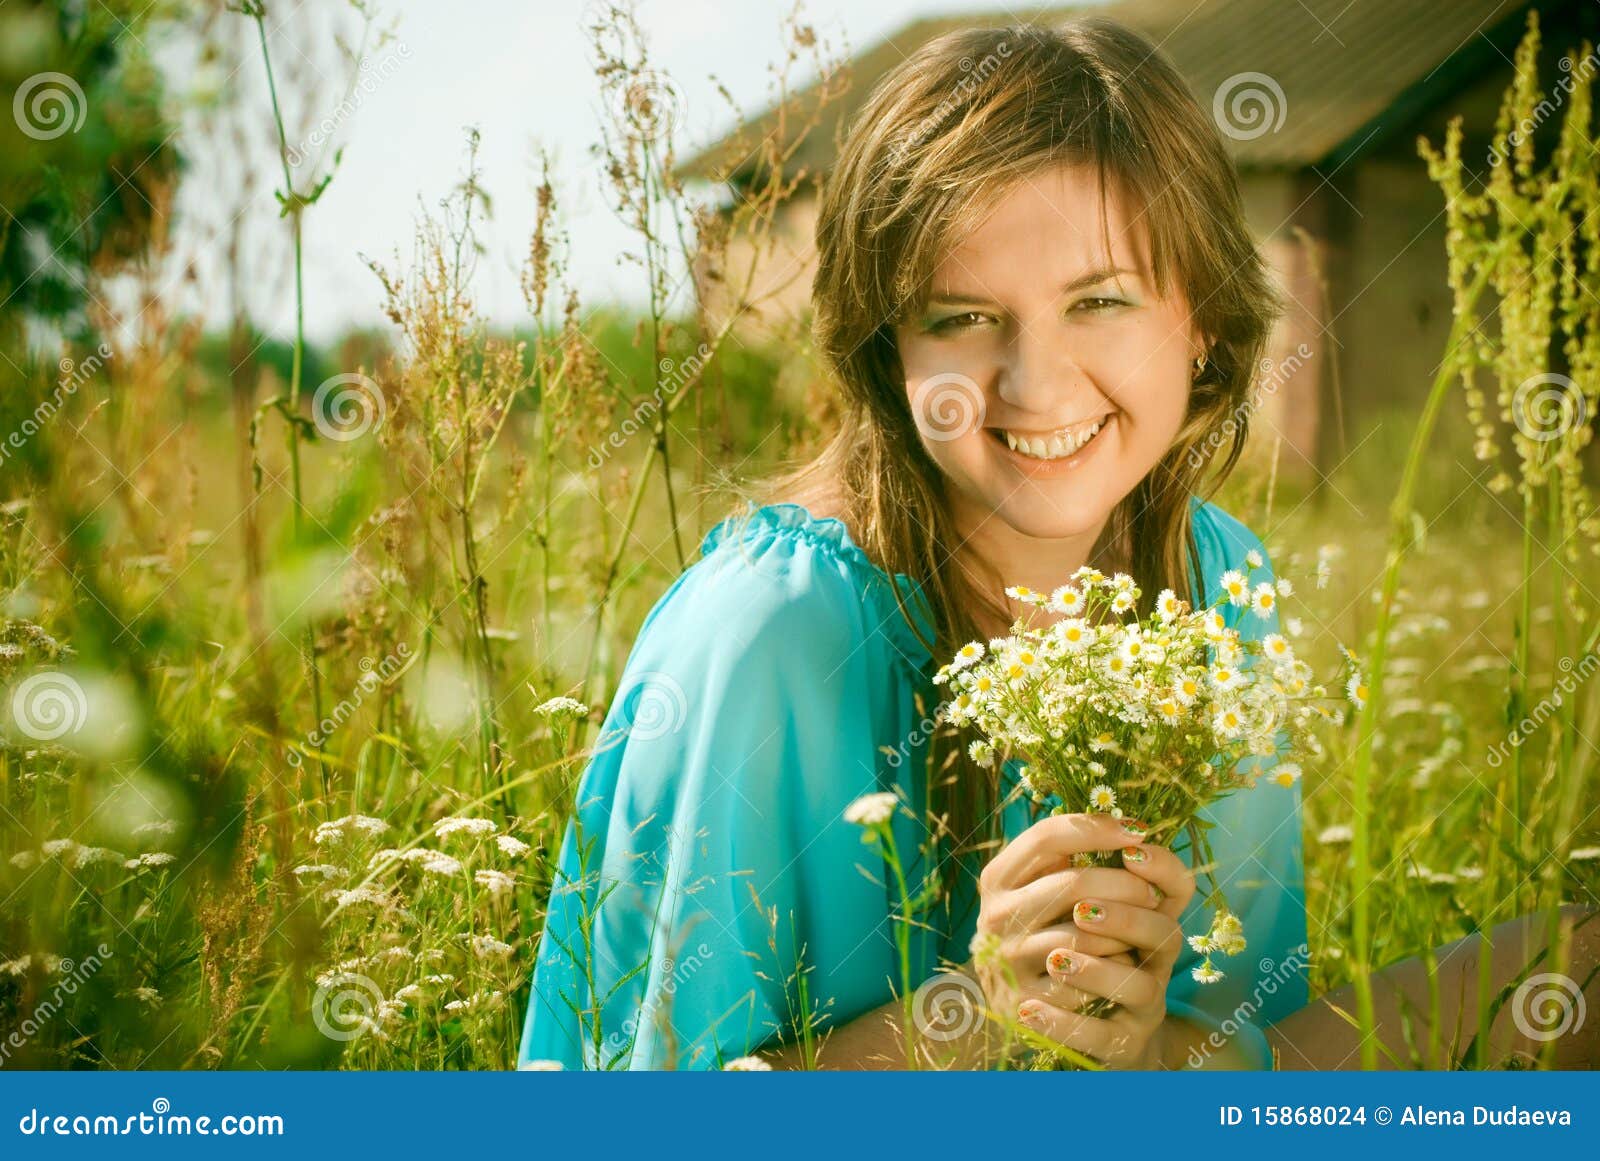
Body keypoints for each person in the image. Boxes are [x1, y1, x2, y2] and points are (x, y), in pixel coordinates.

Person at [516, 17, 1597, 1071]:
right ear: (887, 351)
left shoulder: (1220, 587)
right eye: (961, 317)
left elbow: (1224, 1050)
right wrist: (979, 1011)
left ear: (1205, 318)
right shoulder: (770, 626)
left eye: (1099, 300)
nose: (1034, 387)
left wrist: (1136, 1050)